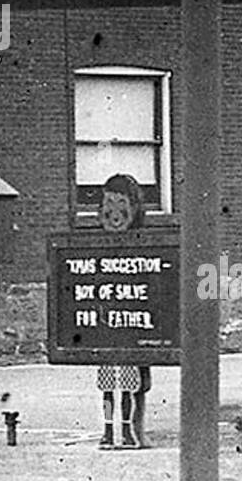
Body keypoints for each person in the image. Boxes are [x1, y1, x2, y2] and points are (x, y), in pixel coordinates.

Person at [95, 173, 151, 449]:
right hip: (107, 328)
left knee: (132, 383)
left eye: (121, 203)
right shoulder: (98, 246)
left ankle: (130, 430)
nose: (115, 212)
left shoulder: (143, 243)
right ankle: (108, 430)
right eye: (109, 203)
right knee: (107, 385)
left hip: (133, 328)